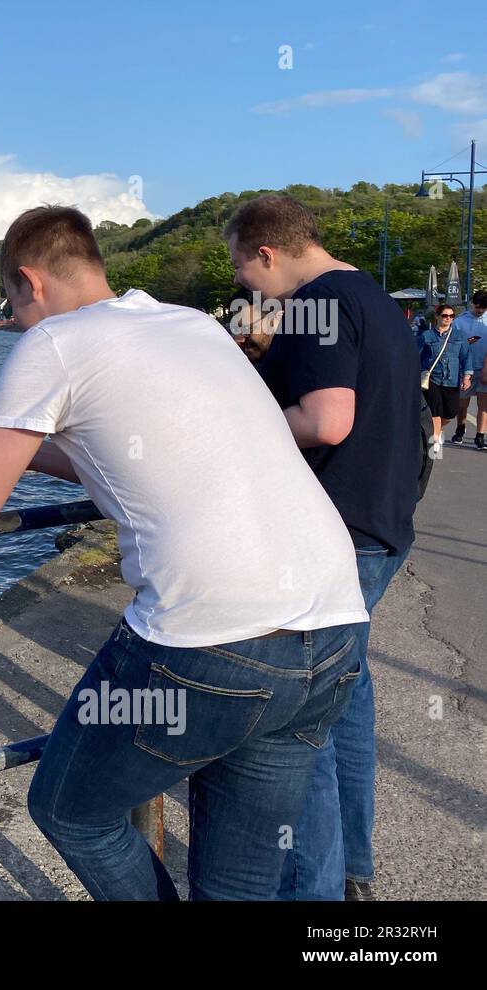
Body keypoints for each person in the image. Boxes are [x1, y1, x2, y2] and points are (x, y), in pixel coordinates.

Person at [0, 204, 369, 900]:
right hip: (333, 622)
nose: (14, 320)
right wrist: (22, 457)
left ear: (28, 280)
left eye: (12, 305)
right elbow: (129, 455)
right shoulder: (190, 325)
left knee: (71, 811)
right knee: (239, 888)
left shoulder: (52, 344)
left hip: (214, 640)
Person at [223, 194, 423, 900]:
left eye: (241, 266)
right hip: (384, 523)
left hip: (336, 535)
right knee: (350, 699)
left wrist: (240, 431)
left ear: (266, 253)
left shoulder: (318, 301)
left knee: (304, 726)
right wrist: (273, 356)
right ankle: (351, 868)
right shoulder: (367, 294)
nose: (245, 284)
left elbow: (328, 420)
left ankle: (317, 892)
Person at [418, 305, 473, 450]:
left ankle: (439, 430)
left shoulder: (459, 336)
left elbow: (466, 357)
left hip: (452, 380)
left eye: (451, 316)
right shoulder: (427, 336)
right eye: (444, 315)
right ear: (437, 317)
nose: (448, 318)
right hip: (432, 379)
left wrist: (466, 377)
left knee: (450, 413)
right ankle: (435, 441)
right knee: (435, 410)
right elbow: (417, 356)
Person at [451, 290, 487, 446]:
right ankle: (460, 427)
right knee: (462, 403)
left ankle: (480, 435)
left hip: (485, 368)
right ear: (473, 304)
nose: (480, 311)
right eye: (478, 307)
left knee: (483, 404)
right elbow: (454, 342)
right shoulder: (460, 321)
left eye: (484, 308)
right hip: (466, 368)